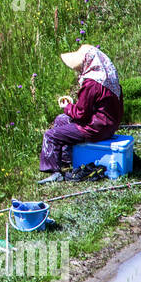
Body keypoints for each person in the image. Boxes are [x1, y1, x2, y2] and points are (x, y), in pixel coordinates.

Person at [38, 44, 123, 183]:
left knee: (51, 135)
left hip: (96, 128)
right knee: (61, 120)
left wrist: (67, 106)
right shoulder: (109, 77)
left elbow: (81, 114)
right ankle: (67, 159)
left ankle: (54, 172)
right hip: (109, 125)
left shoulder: (91, 83)